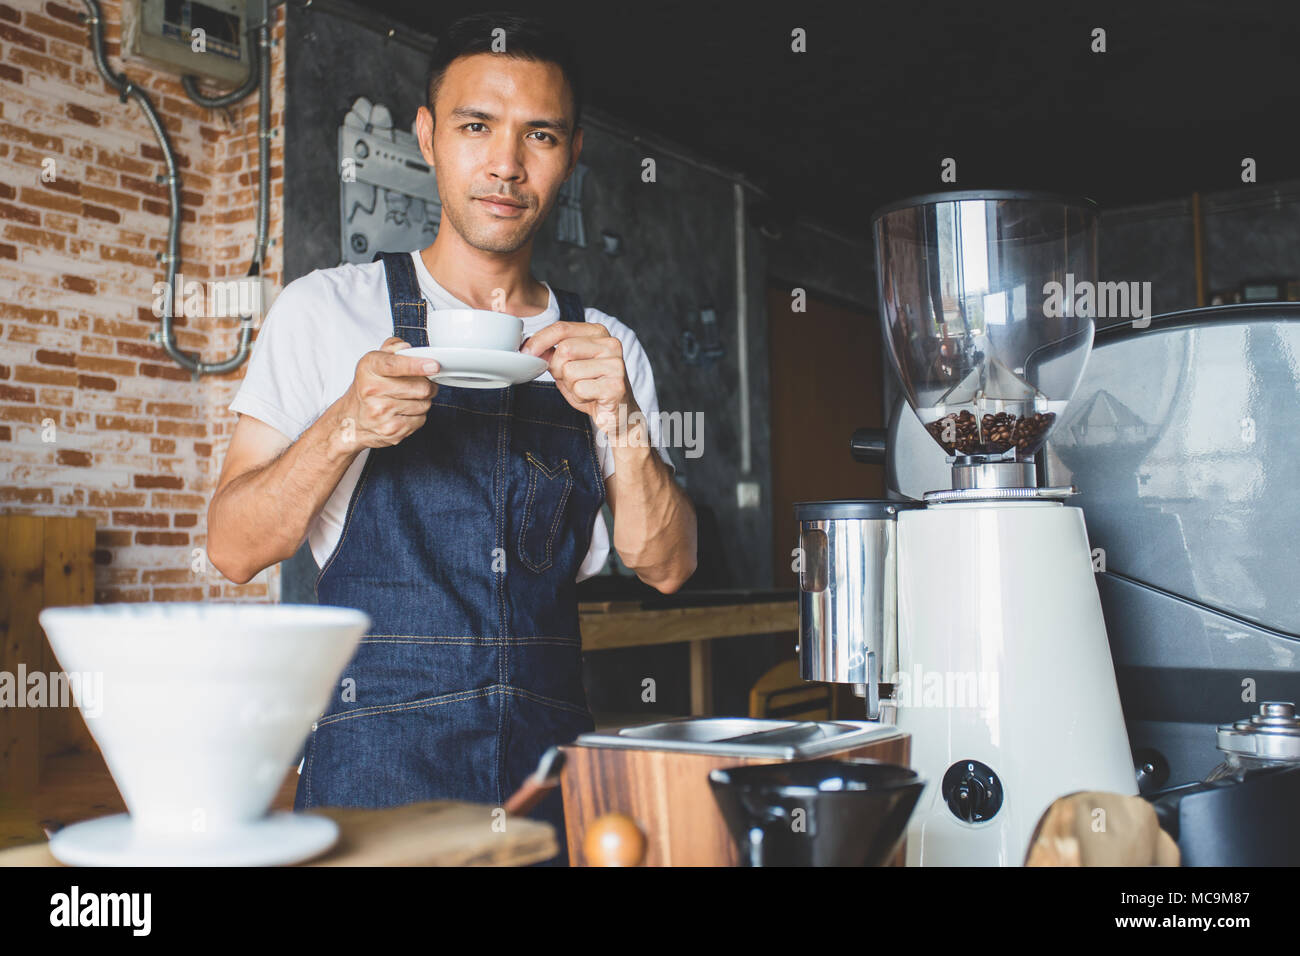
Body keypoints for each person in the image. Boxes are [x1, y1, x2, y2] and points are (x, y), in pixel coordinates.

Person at [207, 11, 697, 864]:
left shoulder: (607, 348)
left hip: (548, 768)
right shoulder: (326, 310)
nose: (506, 165)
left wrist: (618, 422)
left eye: (538, 135)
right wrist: (342, 429)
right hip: (373, 766)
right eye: (477, 127)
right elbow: (233, 547)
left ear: (572, 154)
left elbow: (668, 565)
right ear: (428, 137)